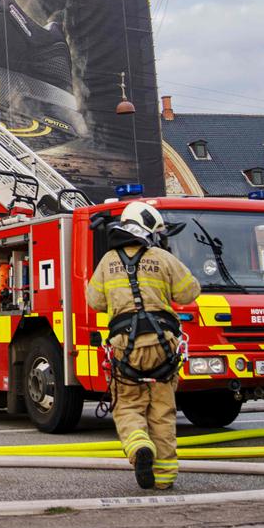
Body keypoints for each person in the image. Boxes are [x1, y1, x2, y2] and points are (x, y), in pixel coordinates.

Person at [86, 201, 200, 491]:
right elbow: (190, 291)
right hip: (163, 343)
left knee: (127, 406)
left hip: (126, 345)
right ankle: (164, 479)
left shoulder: (108, 260)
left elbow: (94, 301)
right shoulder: (161, 257)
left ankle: (139, 447)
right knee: (162, 411)